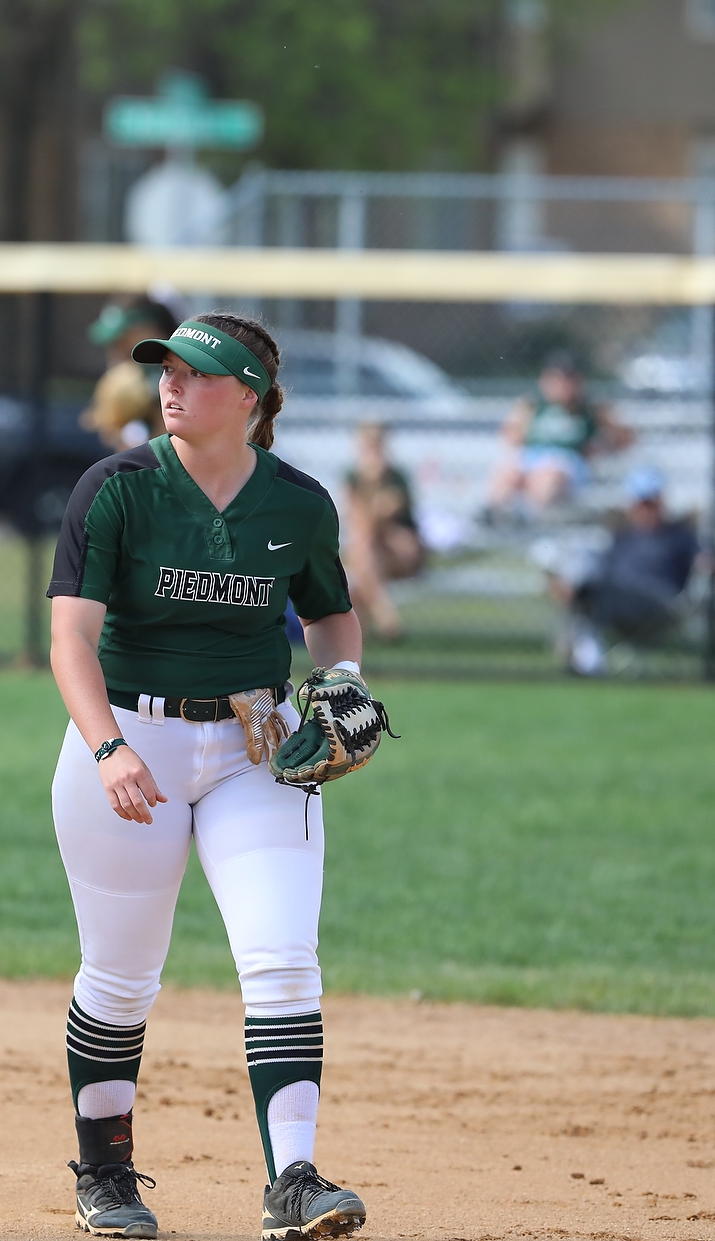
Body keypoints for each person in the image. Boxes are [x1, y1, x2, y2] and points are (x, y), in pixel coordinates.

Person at [45, 313, 382, 1240]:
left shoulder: (300, 503)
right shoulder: (116, 489)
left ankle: (295, 1182)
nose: (171, 385)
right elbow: (69, 638)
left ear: (250, 399)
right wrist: (109, 747)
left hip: (257, 742)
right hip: (130, 739)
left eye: (196, 373)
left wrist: (343, 685)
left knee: (281, 962)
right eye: (167, 371)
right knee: (120, 978)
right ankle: (105, 1176)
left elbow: (332, 619)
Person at [553, 465, 715, 675]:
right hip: (617, 605)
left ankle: (587, 659)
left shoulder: (680, 536)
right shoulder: (622, 537)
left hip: (661, 606)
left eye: (651, 503)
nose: (646, 509)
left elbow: (706, 560)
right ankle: (586, 659)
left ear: (661, 502)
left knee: (592, 583)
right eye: (641, 503)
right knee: (584, 580)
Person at [485, 355, 633, 518]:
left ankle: (531, 521)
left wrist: (601, 448)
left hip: (568, 463)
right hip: (533, 457)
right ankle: (494, 516)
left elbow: (626, 438)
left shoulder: (591, 408)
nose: (562, 386)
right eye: (557, 380)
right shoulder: (532, 405)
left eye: (568, 380)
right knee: (507, 473)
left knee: (548, 476)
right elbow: (509, 436)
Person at [342, 421, 425, 641]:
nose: (372, 451)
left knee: (362, 555)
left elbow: (382, 515)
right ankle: (386, 618)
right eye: (368, 445)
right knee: (363, 557)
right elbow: (358, 519)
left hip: (398, 554)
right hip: (372, 556)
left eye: (376, 445)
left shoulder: (396, 478)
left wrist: (373, 482)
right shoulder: (352, 477)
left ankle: (354, 645)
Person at [82, 298, 176, 450]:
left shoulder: (177, 376)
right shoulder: (128, 375)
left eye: (123, 337)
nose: (116, 349)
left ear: (148, 329)